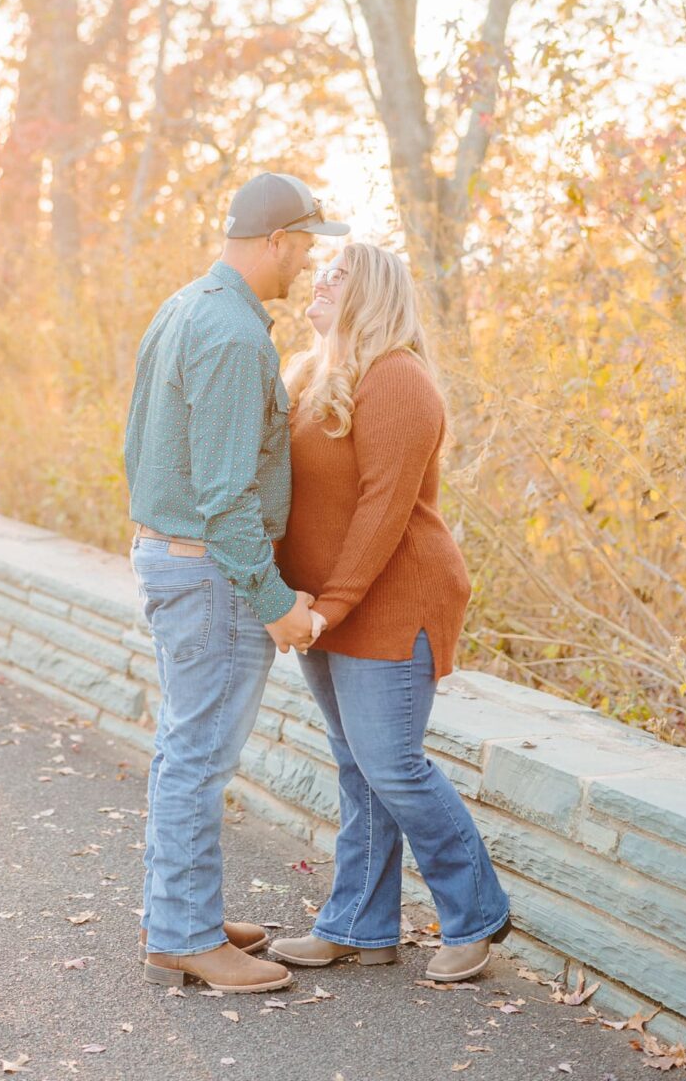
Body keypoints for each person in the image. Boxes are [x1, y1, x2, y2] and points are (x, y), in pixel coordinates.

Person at [124, 172, 349, 993]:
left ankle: (177, 914)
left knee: (183, 748)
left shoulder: (186, 306)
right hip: (210, 573)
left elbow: (140, 448)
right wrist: (274, 602)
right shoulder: (231, 335)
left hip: (173, 556)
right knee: (198, 757)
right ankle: (184, 936)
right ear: (276, 240)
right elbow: (225, 497)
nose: (309, 261)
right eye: (306, 245)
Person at [268, 243, 511, 981]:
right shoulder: (312, 375)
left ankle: (476, 914)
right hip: (327, 606)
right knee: (358, 766)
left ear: (372, 294)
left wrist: (332, 605)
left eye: (338, 275)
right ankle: (359, 925)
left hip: (392, 599)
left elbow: (383, 508)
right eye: (321, 270)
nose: (319, 280)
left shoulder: (398, 379)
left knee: (392, 766)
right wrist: (287, 596)